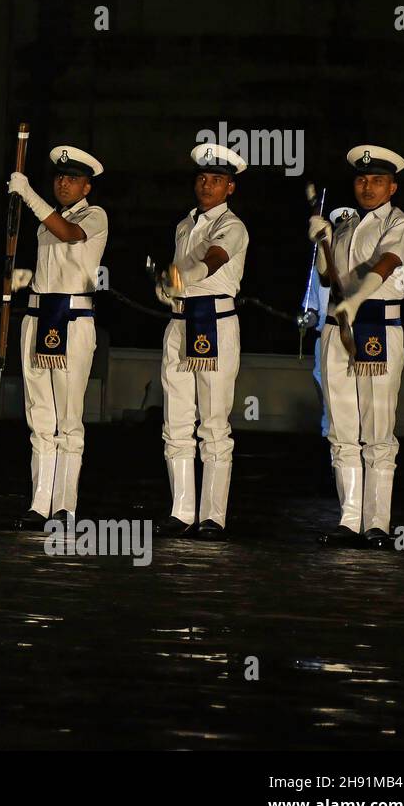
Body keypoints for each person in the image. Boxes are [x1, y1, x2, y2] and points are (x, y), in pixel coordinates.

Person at [312, 145, 404, 549]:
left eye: (376, 180)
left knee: (377, 431)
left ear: (392, 185)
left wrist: (358, 297)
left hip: (377, 325)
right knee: (342, 428)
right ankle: (350, 517)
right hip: (338, 330)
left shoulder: (400, 223)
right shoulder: (346, 227)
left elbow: (388, 262)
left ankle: (377, 522)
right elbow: (327, 278)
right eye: (361, 179)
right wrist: (322, 241)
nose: (368, 186)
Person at [7, 145, 108, 528]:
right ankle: (39, 503)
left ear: (87, 187)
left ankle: (65, 505)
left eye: (73, 179)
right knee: (40, 416)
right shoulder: (43, 221)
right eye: (60, 177)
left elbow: (68, 234)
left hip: (73, 319)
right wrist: (25, 280)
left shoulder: (95, 216)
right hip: (38, 316)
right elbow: (52, 265)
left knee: (69, 419)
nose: (64, 183)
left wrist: (28, 193)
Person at [153, 143, 248, 540]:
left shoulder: (233, 225)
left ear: (230, 188)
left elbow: (215, 258)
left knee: (213, 424)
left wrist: (181, 279)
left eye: (216, 180)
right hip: (180, 322)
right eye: (202, 178)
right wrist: (169, 289)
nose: (207, 185)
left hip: (215, 322)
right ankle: (181, 511)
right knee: (175, 422)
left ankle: (213, 515)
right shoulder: (183, 223)